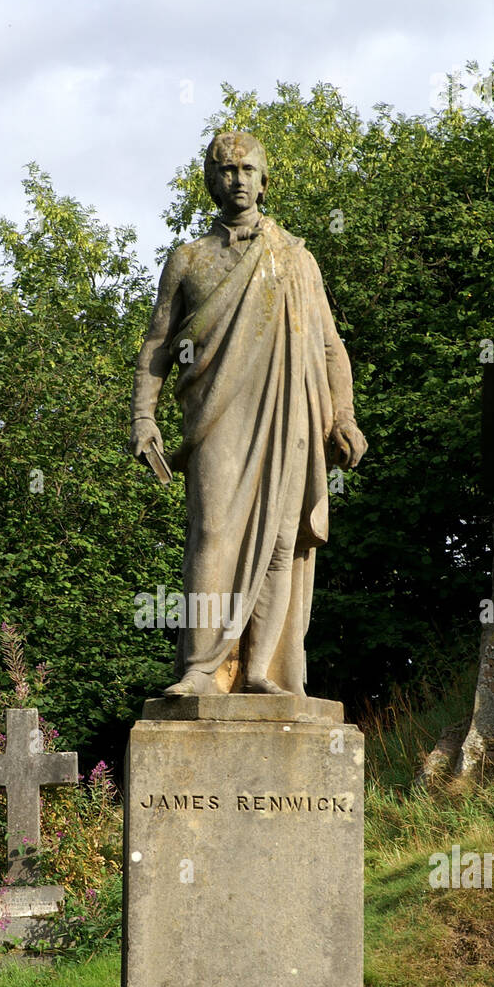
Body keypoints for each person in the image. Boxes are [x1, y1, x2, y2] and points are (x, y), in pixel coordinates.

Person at [130, 131, 366, 696]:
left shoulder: (295, 257)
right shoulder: (188, 259)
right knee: (213, 530)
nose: (237, 179)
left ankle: (262, 670)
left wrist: (345, 417)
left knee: (281, 541)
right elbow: (157, 346)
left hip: (290, 416)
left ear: (265, 179)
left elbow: (331, 346)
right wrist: (143, 416)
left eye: (247, 169)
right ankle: (200, 667)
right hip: (216, 416)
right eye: (226, 169)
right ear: (212, 181)